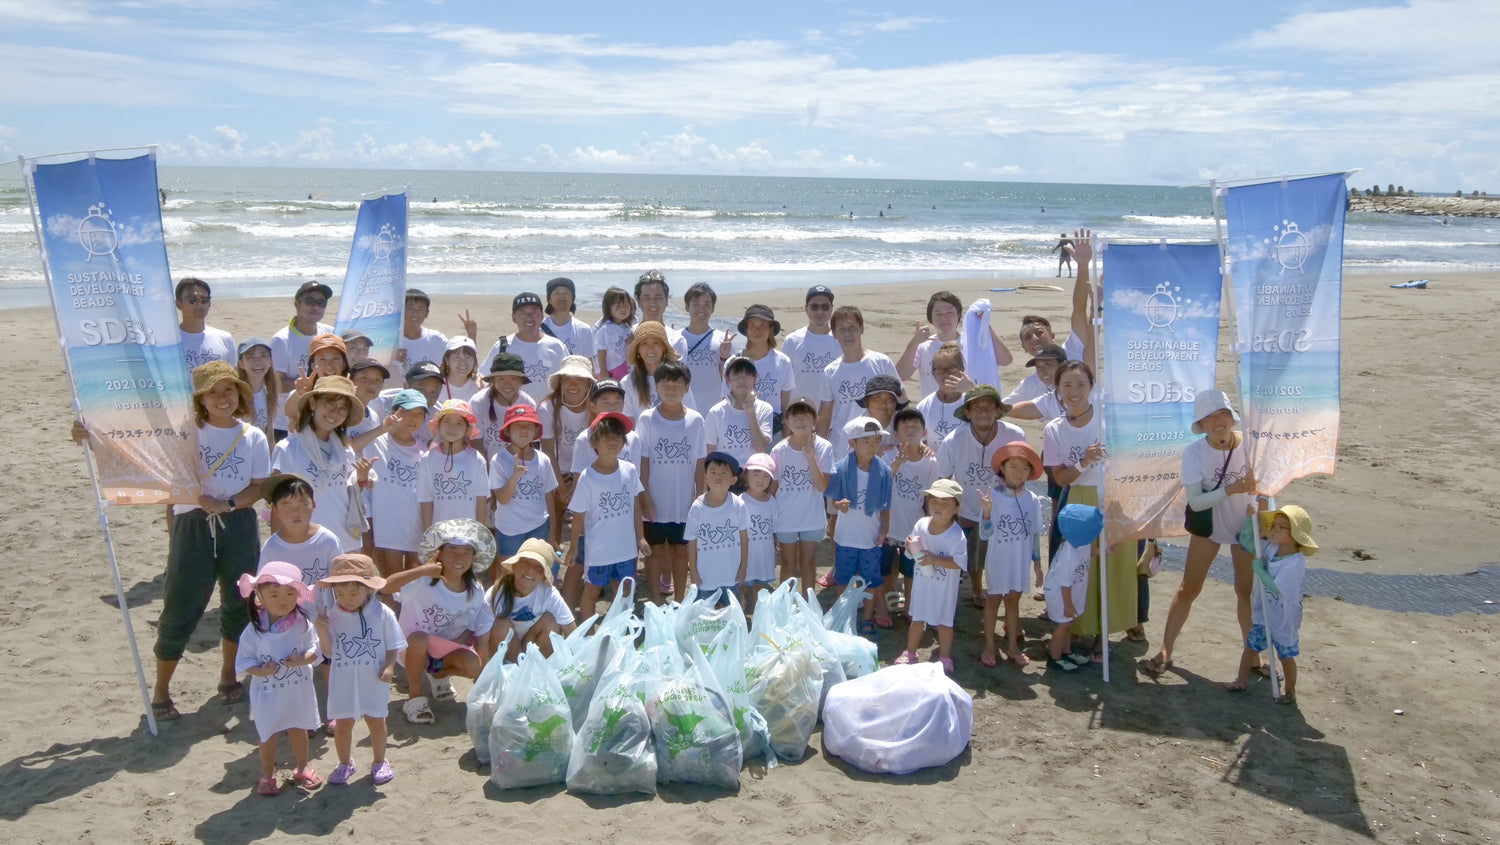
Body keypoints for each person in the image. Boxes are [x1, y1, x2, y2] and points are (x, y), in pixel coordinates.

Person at [83, 361, 271, 720]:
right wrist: (90, 438)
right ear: (200, 399)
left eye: (228, 390)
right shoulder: (185, 432)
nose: (222, 398)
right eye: (213, 392)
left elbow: (259, 486)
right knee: (181, 603)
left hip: (239, 524)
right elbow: (134, 455)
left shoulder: (253, 436)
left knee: (239, 601)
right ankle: (161, 689)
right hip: (192, 524)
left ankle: (229, 674)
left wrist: (227, 503)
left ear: (239, 394)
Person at [1141, 390, 1257, 677]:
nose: (1217, 422)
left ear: (1231, 418)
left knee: (1246, 592)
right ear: (1201, 425)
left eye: (1222, 414)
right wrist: (1233, 488)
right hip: (1210, 527)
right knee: (1189, 589)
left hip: (1246, 526)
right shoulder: (1194, 453)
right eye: (1209, 418)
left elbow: (1266, 485)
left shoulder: (1252, 443)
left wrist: (1259, 504)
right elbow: (1195, 501)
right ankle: (1166, 649)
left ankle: (1252, 655)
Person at [1043, 360, 1135, 659]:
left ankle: (1102, 635)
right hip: (1079, 500)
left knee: (1111, 564)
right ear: (1057, 390)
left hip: (1114, 496)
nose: (1074, 391)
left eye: (1081, 384)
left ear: (1092, 387)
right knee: (1082, 565)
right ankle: (1075, 627)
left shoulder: (1109, 419)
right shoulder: (1054, 429)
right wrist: (1083, 461)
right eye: (1067, 385)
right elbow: (1060, 477)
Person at [385, 519, 496, 725]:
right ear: (440, 554)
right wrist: (422, 570)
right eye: (452, 550)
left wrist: (450, 652)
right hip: (410, 646)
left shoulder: (475, 589)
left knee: (473, 664)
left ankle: (437, 674)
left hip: (442, 649)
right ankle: (416, 697)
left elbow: (469, 629)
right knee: (419, 639)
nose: (459, 557)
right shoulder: (423, 580)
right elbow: (386, 587)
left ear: (473, 558)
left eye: (466, 552)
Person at [315, 554, 404, 786]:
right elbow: (328, 653)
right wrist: (323, 630)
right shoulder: (332, 616)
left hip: (373, 679)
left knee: (376, 721)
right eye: (341, 593)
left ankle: (379, 761)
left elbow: (393, 645)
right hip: (343, 679)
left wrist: (389, 666)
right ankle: (345, 763)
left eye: (353, 593)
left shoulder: (382, 613)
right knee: (343, 724)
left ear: (367, 589)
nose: (347, 599)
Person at [233, 563, 322, 795]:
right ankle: (267, 774)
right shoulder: (253, 630)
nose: (283, 600)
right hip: (268, 692)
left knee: (298, 727)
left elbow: (315, 649)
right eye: (274, 594)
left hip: (296, 691)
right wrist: (261, 671)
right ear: (259, 596)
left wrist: (303, 659)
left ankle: (302, 766)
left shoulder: (303, 624)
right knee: (268, 733)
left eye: (290, 593)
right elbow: (244, 661)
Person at [937, 385, 1026, 604]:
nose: (983, 412)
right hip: (968, 506)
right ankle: (976, 590)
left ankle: (1003, 594)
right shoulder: (953, 441)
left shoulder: (1015, 435)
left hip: (1004, 504)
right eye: (977, 408)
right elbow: (943, 479)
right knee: (974, 554)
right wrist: (948, 511)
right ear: (967, 413)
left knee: (1003, 556)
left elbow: (1023, 470)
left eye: (989, 407)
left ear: (998, 411)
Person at [1227, 504, 1314, 704]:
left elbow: (1276, 587)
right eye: (1274, 525)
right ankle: (1241, 679)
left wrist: (1259, 570)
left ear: (1294, 535)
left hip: (1284, 619)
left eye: (1280, 527)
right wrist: (1250, 519)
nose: (1273, 530)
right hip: (1263, 613)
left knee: (1285, 655)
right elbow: (1249, 543)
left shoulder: (1295, 564)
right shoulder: (1272, 548)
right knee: (1251, 646)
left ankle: (1290, 690)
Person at [566, 412, 651, 617]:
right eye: (606, 437)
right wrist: (573, 547)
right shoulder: (588, 477)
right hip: (599, 552)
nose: (612, 442)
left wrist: (640, 537)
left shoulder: (629, 470)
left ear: (624, 442)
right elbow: (578, 515)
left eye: (617, 437)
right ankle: (587, 635)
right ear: (595, 442)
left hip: (626, 549)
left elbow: (635, 506)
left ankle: (619, 631)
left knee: (624, 591)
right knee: (592, 592)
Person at [272, 375, 369, 552]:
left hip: (345, 541)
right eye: (330, 403)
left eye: (342, 408)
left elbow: (345, 492)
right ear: (313, 403)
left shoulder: (345, 450)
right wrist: (279, 547)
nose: (335, 413)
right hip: (303, 542)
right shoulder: (288, 448)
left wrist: (361, 479)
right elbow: (277, 503)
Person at [637, 360, 708, 603]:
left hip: (684, 501)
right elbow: (643, 460)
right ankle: (656, 599)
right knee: (654, 552)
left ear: (687, 387)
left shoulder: (696, 420)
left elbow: (700, 462)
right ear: (656, 386)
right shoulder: (647, 419)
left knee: (681, 552)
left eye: (676, 384)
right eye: (664, 384)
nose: (670, 389)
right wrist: (644, 494)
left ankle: (679, 600)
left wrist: (701, 496)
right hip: (655, 499)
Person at [826, 417, 894, 639]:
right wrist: (839, 505)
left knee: (870, 580)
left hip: (870, 538)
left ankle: (866, 617)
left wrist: (884, 530)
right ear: (852, 443)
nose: (873, 446)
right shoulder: (841, 468)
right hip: (845, 537)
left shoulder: (884, 471)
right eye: (866, 441)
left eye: (876, 441)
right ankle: (844, 614)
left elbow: (886, 507)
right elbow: (833, 501)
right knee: (843, 578)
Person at [979, 441, 1045, 668]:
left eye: (1025, 468)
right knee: (994, 600)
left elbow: (1035, 533)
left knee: (1014, 600)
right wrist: (987, 514)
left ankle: (1012, 647)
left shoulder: (1033, 500)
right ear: (1003, 468)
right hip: (999, 559)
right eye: (1013, 466)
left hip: (1020, 561)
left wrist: (1037, 564)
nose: (1019, 472)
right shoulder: (993, 498)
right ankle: (989, 645)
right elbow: (985, 534)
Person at [893, 479, 967, 674]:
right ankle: (910, 652)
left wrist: (935, 559)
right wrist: (909, 544)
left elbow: (959, 563)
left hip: (944, 591)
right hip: (922, 586)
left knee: (944, 624)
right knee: (917, 619)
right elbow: (910, 551)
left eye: (945, 503)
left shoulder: (956, 535)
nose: (938, 506)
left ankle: (944, 657)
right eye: (934, 501)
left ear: (956, 508)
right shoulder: (921, 524)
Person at [897, 291, 1012, 399]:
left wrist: (984, 325)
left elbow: (1006, 360)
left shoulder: (972, 342)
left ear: (959, 315)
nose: (944, 318)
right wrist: (914, 343)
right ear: (930, 318)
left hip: (968, 410)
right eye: (938, 314)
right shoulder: (923, 347)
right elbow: (901, 376)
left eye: (950, 313)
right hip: (934, 411)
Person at [817, 305, 898, 457]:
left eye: (852, 327)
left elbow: (901, 402)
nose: (848, 334)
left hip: (880, 444)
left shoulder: (881, 362)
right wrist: (819, 453)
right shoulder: (830, 371)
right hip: (844, 446)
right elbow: (825, 417)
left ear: (861, 329)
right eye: (841, 329)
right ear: (834, 333)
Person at [365, 389, 430, 578]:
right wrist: (381, 429)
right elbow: (350, 448)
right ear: (394, 412)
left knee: (414, 579)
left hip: (415, 525)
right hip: (388, 528)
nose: (413, 419)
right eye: (407, 412)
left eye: (419, 414)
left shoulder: (424, 450)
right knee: (391, 581)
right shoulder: (376, 442)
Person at [259, 474, 343, 612]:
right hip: (288, 622)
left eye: (303, 504)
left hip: (325, 622)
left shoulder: (328, 540)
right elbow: (264, 588)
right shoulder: (272, 547)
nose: (296, 512)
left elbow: (341, 581)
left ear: (313, 505)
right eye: (286, 506)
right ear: (275, 511)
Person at [770, 400, 832, 587]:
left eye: (805, 416)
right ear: (787, 421)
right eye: (795, 416)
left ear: (815, 421)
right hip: (786, 517)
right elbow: (773, 487)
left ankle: (807, 605)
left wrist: (810, 458)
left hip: (811, 516)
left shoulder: (824, 447)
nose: (800, 420)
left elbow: (822, 487)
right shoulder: (779, 449)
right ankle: (785, 604)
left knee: (808, 562)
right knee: (788, 563)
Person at [485, 538, 577, 662]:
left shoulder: (549, 593)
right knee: (500, 625)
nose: (530, 570)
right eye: (526, 563)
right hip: (507, 647)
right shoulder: (496, 593)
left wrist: (577, 662)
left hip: (533, 643)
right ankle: (510, 669)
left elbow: (571, 630)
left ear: (544, 575)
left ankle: (538, 669)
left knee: (552, 621)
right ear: (515, 565)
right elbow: (482, 635)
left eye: (538, 567)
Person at [537, 355, 594, 548]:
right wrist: (561, 487)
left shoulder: (594, 408)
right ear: (560, 383)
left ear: (588, 385)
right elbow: (547, 451)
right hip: (556, 470)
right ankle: (552, 553)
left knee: (589, 520)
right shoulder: (547, 408)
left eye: (579, 380)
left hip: (587, 472)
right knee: (555, 517)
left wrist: (578, 484)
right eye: (567, 379)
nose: (573, 384)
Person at [888, 407, 939, 619]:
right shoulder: (888, 454)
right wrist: (896, 464)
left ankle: (910, 608)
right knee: (889, 567)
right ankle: (889, 604)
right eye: (905, 427)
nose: (910, 431)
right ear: (896, 432)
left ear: (924, 432)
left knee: (912, 571)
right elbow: (882, 484)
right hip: (890, 525)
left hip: (915, 526)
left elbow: (930, 497)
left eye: (915, 427)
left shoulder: (931, 461)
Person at [489, 404, 559, 558]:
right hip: (509, 529)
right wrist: (514, 477)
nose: (523, 430)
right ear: (507, 431)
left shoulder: (543, 460)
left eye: (528, 425)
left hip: (539, 526)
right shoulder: (498, 460)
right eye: (517, 425)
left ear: (536, 431)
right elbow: (503, 499)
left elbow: (549, 497)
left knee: (536, 568)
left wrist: (552, 531)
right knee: (509, 572)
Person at [269, 281, 334, 439]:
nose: (316, 307)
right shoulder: (281, 340)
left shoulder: (329, 333)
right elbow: (277, 384)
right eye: (310, 301)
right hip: (287, 421)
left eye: (321, 303)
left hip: (320, 419)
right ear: (297, 304)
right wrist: (313, 384)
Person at [1045, 504, 1102, 673]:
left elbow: (1088, 553)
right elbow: (1064, 582)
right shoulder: (1068, 553)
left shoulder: (1081, 543)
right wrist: (1068, 604)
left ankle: (1066, 650)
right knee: (1062, 625)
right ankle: (1055, 657)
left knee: (1069, 623)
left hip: (1074, 590)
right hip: (1061, 594)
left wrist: (1104, 550)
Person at [685, 451, 751, 598]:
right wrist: (693, 570)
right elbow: (692, 541)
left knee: (730, 616)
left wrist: (743, 567)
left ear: (733, 480)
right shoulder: (697, 507)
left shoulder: (738, 505)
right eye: (713, 472)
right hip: (705, 577)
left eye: (724, 473)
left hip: (731, 575)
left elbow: (744, 539)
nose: (718, 476)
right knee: (704, 618)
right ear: (706, 478)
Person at [419, 400, 488, 529]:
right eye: (447, 422)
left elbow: (481, 501)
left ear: (468, 430)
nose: (452, 428)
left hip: (468, 534)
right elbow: (426, 500)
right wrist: (428, 536)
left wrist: (480, 536)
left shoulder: (477, 460)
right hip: (440, 534)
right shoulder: (428, 459)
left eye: (459, 423)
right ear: (438, 425)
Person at [481, 292, 569, 386]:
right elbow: (482, 377)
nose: (529, 317)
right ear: (514, 318)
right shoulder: (503, 346)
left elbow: (570, 377)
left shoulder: (556, 346)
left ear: (541, 316)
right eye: (523, 313)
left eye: (534, 312)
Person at [730, 304, 795, 430]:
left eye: (763, 326)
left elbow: (785, 406)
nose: (757, 331)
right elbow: (727, 403)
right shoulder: (733, 362)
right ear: (746, 329)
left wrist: (786, 437)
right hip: (741, 432)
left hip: (773, 430)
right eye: (752, 326)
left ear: (771, 330)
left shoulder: (783, 361)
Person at [623, 321, 699, 420]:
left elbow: (690, 417)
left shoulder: (678, 379)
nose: (650, 348)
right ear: (638, 349)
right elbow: (627, 424)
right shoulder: (628, 383)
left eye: (656, 342)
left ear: (664, 347)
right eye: (644, 343)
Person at [706, 356, 773, 466]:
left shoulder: (764, 409)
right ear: (727, 379)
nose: (742, 380)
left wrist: (751, 413)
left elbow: (761, 448)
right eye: (737, 375)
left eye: (747, 375)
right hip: (725, 475)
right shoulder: (716, 412)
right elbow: (709, 451)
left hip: (752, 475)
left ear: (755, 378)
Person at [680, 282, 735, 409]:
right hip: (683, 408)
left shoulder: (723, 339)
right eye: (696, 304)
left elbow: (730, 381)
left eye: (706, 305)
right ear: (687, 307)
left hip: (714, 408)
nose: (701, 309)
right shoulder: (677, 338)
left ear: (713, 308)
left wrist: (724, 358)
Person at [782, 284, 841, 404]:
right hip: (800, 414)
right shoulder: (792, 341)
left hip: (833, 416)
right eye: (814, 307)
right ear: (806, 309)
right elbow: (784, 382)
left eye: (825, 307)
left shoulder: (841, 341)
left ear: (831, 309)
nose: (819, 311)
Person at [471, 353, 536, 459]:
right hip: (487, 463)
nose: (507, 384)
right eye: (501, 378)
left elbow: (531, 443)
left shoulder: (528, 404)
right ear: (493, 380)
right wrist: (487, 469)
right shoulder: (478, 402)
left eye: (513, 379)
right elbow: (476, 441)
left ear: (521, 381)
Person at [739, 452, 779, 612]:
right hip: (745, 553)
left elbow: (773, 529)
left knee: (760, 585)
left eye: (766, 476)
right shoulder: (739, 501)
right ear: (746, 475)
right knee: (741, 582)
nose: (760, 480)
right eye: (756, 474)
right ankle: (740, 604)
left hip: (765, 552)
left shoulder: (771, 501)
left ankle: (758, 613)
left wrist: (776, 549)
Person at [915, 342, 970, 450]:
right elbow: (920, 441)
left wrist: (972, 390)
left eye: (952, 368)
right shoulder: (924, 407)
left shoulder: (972, 401)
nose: (946, 374)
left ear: (962, 369)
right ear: (933, 373)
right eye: (940, 370)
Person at [176, 277, 236, 369]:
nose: (199, 304)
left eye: (204, 300)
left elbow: (233, 377)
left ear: (209, 304)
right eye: (193, 300)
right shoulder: (170, 341)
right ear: (178, 304)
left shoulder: (225, 338)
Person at [394, 289, 449, 376]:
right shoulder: (392, 340)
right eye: (410, 308)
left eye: (420, 309)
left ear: (426, 313)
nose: (415, 313)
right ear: (402, 310)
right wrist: (392, 359)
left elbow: (460, 357)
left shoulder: (436, 339)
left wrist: (471, 334)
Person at [634, 270, 688, 356]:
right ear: (638, 302)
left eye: (658, 297)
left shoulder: (677, 340)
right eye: (646, 298)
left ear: (666, 301)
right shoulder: (627, 337)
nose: (653, 303)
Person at [541, 277, 597, 361]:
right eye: (557, 293)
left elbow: (589, 364)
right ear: (549, 299)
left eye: (566, 293)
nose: (561, 298)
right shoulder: (538, 329)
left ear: (573, 298)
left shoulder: (584, 330)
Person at [236, 337, 278, 442]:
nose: (257, 362)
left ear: (270, 362)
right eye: (250, 357)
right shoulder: (235, 395)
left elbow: (269, 434)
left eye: (263, 356)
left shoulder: (269, 393)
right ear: (241, 363)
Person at [592, 286, 637, 380]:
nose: (623, 309)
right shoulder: (605, 329)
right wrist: (603, 371)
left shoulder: (626, 327)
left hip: (622, 365)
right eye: (618, 307)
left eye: (626, 306)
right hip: (609, 369)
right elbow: (601, 352)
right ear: (609, 308)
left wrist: (630, 342)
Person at [439, 336, 481, 403]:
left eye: (468, 357)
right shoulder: (436, 386)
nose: (463, 363)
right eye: (457, 357)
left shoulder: (481, 387)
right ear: (446, 360)